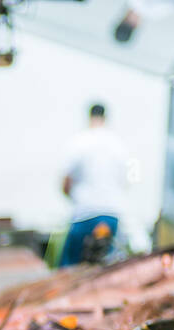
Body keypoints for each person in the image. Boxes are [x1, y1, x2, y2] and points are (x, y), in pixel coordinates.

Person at [60, 103, 129, 266]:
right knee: (105, 265)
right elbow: (126, 181)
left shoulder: (79, 142)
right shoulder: (118, 145)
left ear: (89, 116)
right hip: (111, 213)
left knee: (70, 266)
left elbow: (66, 181)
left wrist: (72, 197)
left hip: (84, 212)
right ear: (105, 117)